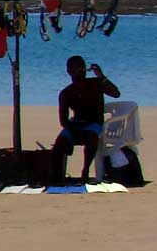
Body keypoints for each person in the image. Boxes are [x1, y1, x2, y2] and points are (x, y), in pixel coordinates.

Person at [51, 55, 121, 183]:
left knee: (91, 137)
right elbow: (63, 120)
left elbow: (116, 94)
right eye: (78, 68)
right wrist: (72, 130)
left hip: (94, 124)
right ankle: (56, 174)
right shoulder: (66, 93)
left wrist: (101, 76)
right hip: (75, 124)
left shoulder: (96, 83)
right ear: (69, 72)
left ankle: (85, 171)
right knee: (60, 142)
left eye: (83, 67)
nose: (81, 70)